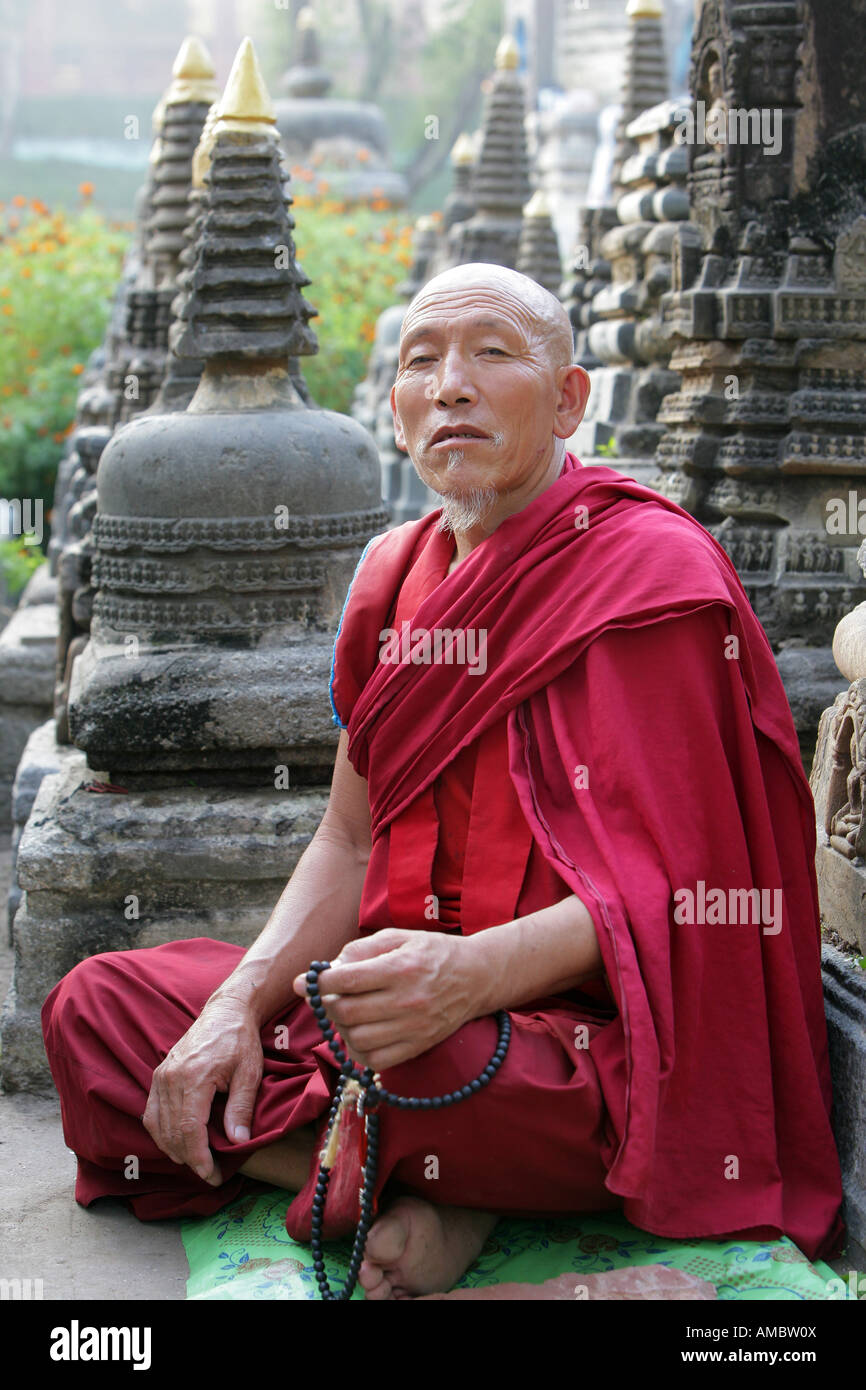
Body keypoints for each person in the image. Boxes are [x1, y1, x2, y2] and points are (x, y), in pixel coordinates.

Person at [43, 264, 844, 1300]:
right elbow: (348, 839)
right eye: (423, 360)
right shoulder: (389, 579)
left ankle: (398, 1168)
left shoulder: (647, 579)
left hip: (575, 1046)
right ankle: (435, 1187)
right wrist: (238, 1003)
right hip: (381, 1017)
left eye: (491, 355)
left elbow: (680, 894)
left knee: (429, 1070)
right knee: (103, 1008)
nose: (450, 386)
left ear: (567, 400)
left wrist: (467, 979)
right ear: (396, 406)